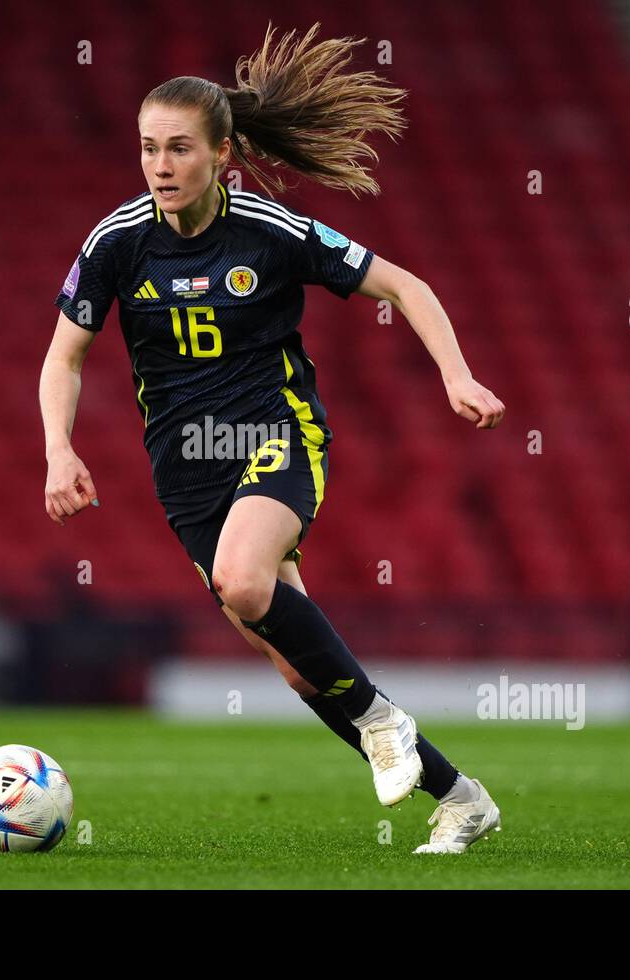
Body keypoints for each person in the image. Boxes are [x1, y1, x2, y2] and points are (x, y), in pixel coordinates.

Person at [40, 23, 506, 854]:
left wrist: (457, 375)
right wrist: (59, 449)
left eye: (179, 149)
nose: (159, 166)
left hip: (272, 434)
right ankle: (461, 797)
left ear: (222, 154)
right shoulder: (115, 242)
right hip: (184, 472)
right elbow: (63, 358)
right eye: (148, 149)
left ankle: (383, 722)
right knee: (297, 667)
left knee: (243, 582)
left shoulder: (271, 230)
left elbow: (405, 284)